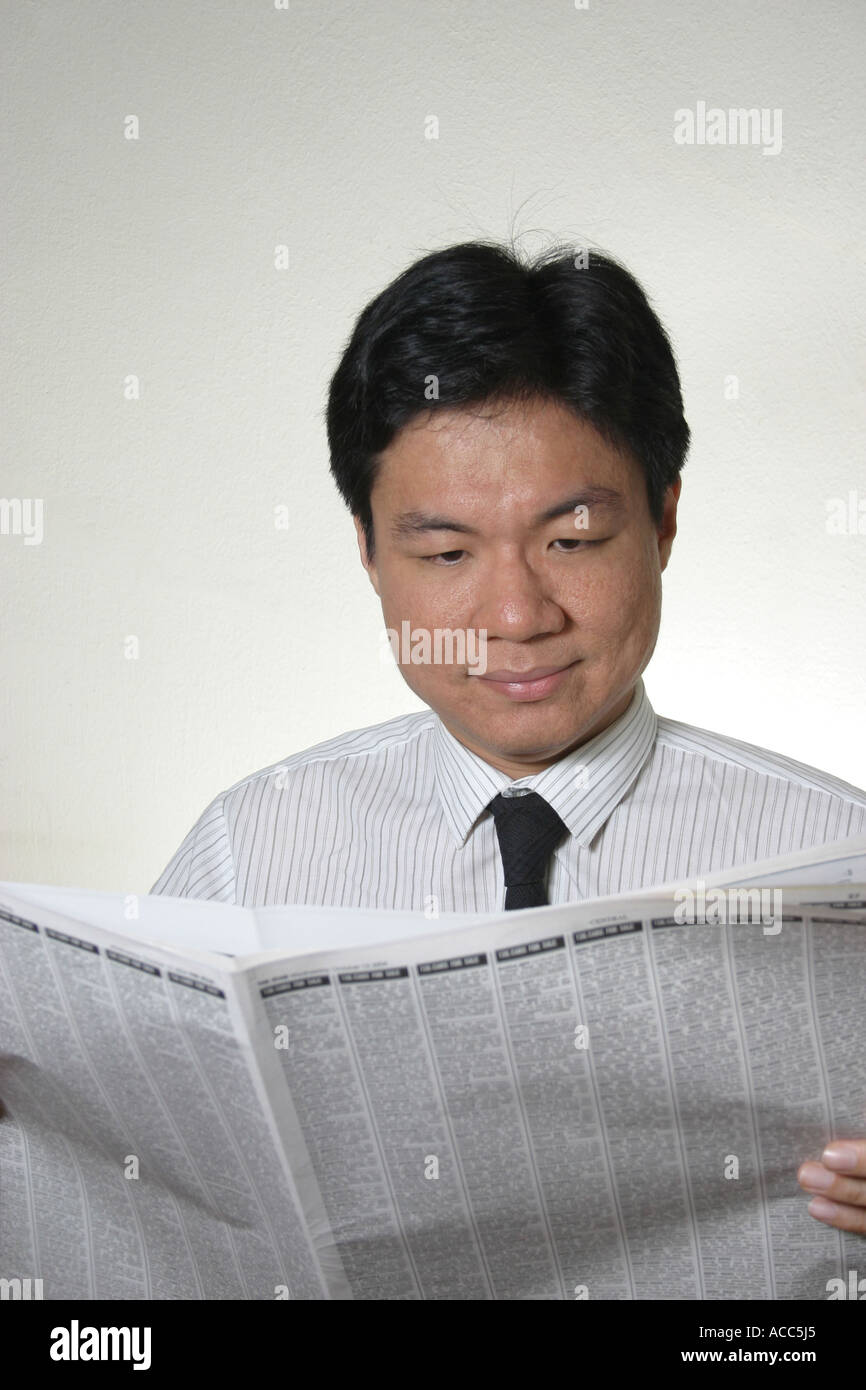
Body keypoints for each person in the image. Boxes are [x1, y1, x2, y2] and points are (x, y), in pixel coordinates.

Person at [150, 239, 866, 1238]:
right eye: (444, 551)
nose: (515, 614)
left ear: (661, 523)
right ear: (366, 551)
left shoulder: (840, 864)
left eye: (570, 540)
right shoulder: (251, 844)